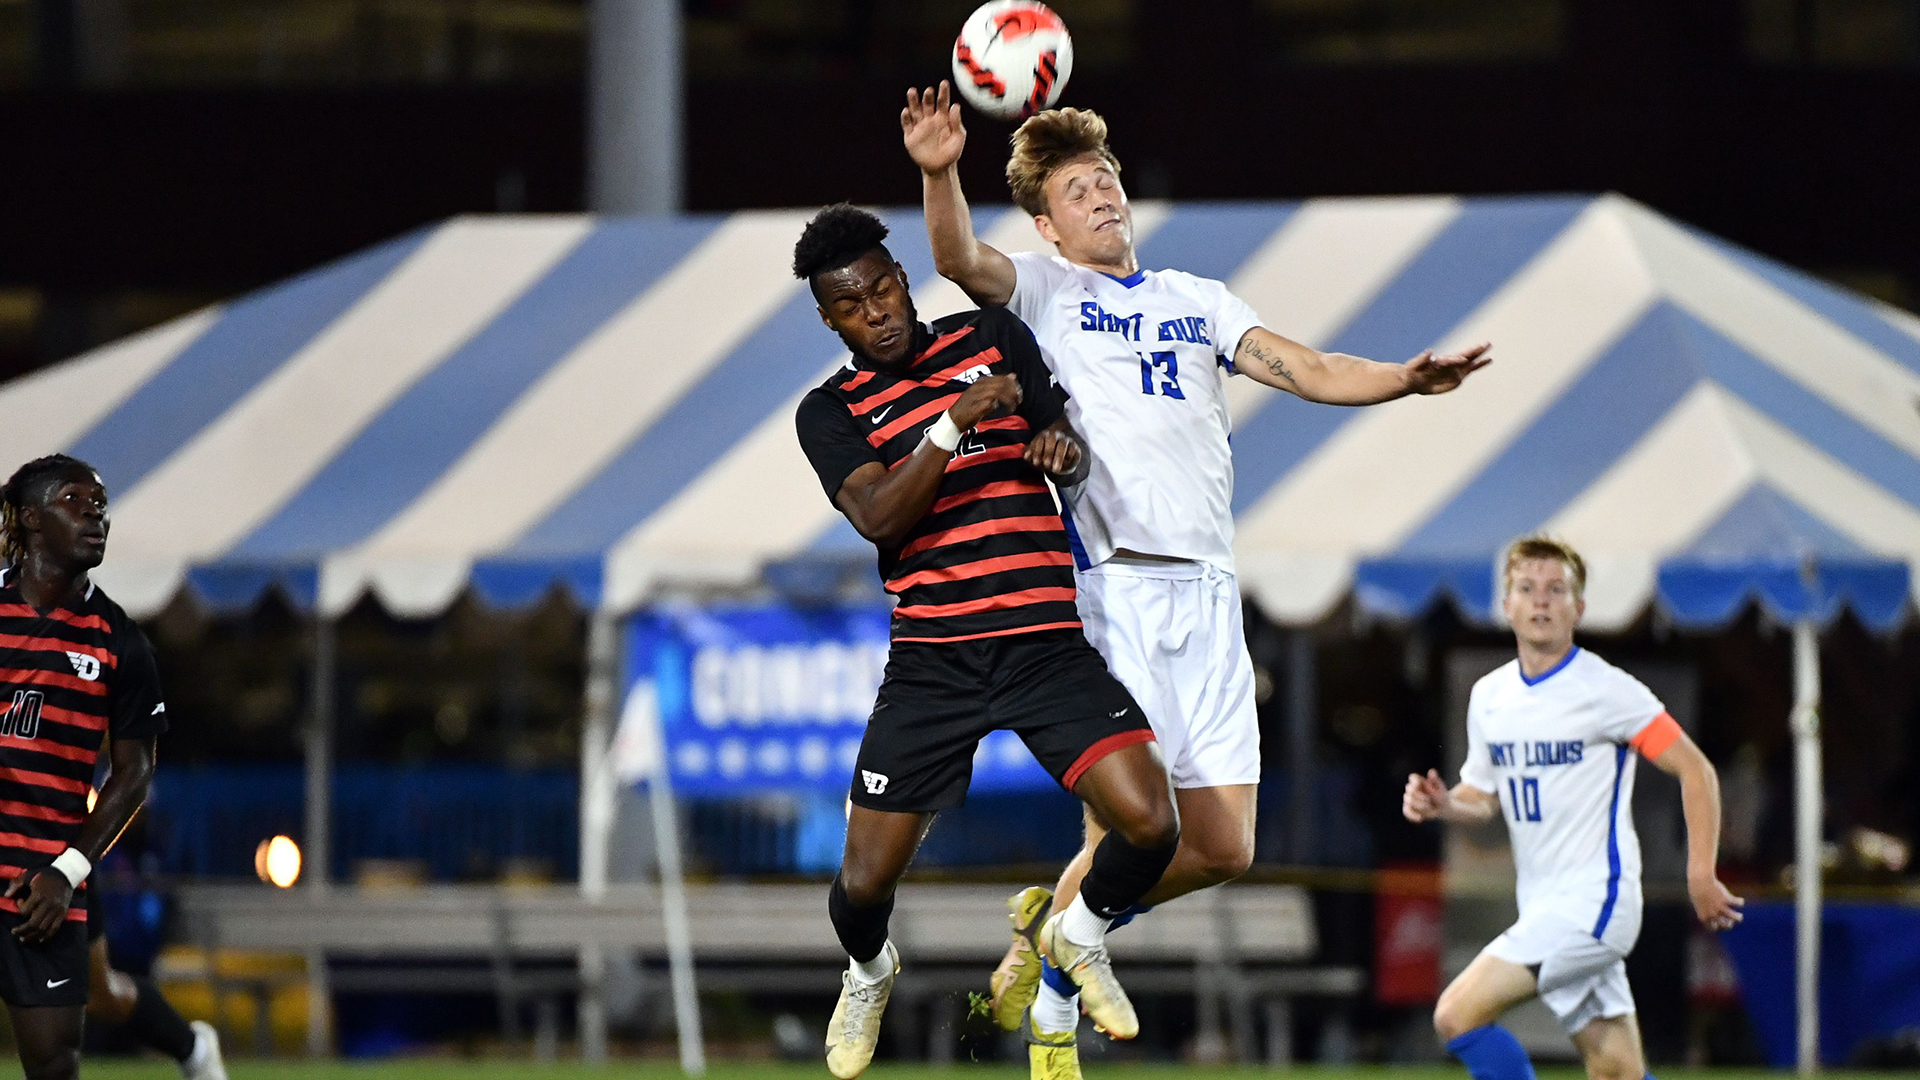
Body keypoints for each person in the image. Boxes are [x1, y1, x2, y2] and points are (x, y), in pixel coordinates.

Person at [900, 81, 1493, 1061]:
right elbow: (960, 257)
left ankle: (1056, 930)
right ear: (1047, 226)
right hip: (1116, 593)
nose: (1101, 195)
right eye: (1077, 190)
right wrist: (939, 171)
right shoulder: (1047, 292)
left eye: (1105, 178)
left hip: (1212, 594)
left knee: (1224, 847)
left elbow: (1306, 367)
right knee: (1130, 829)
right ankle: (1054, 1017)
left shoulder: (1197, 300)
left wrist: (1403, 380)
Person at [791, 205, 1182, 1079]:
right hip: (935, 662)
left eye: (883, 288)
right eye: (852, 306)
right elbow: (879, 516)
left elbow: (1064, 439)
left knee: (1153, 824)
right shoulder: (829, 411)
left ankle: (1075, 934)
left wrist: (1059, 451)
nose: (877, 312)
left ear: (902, 279)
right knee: (862, 888)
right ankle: (869, 971)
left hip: (1044, 642)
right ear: (830, 319)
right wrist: (952, 423)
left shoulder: (991, 336)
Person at [1402, 535, 1744, 1080]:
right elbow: (1483, 797)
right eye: (1527, 588)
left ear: (1579, 608)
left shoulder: (1605, 690)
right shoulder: (1489, 696)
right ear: (1506, 605)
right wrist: (1443, 804)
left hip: (1596, 904)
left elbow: (1695, 770)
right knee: (1616, 1071)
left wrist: (1701, 873)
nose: (1541, 600)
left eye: (1556, 590)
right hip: (1543, 906)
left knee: (1456, 1014)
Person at [0, 454, 172, 1079]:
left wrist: (67, 871)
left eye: (100, 504)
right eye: (75, 500)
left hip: (40, 885)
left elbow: (135, 772)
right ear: (30, 519)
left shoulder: (119, 639)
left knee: (54, 1064)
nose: (96, 514)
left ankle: (191, 1048)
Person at [84, 856, 225, 1077]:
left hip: (57, 869)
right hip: (26, 867)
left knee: (98, 992)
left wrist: (71, 865)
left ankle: (196, 1050)